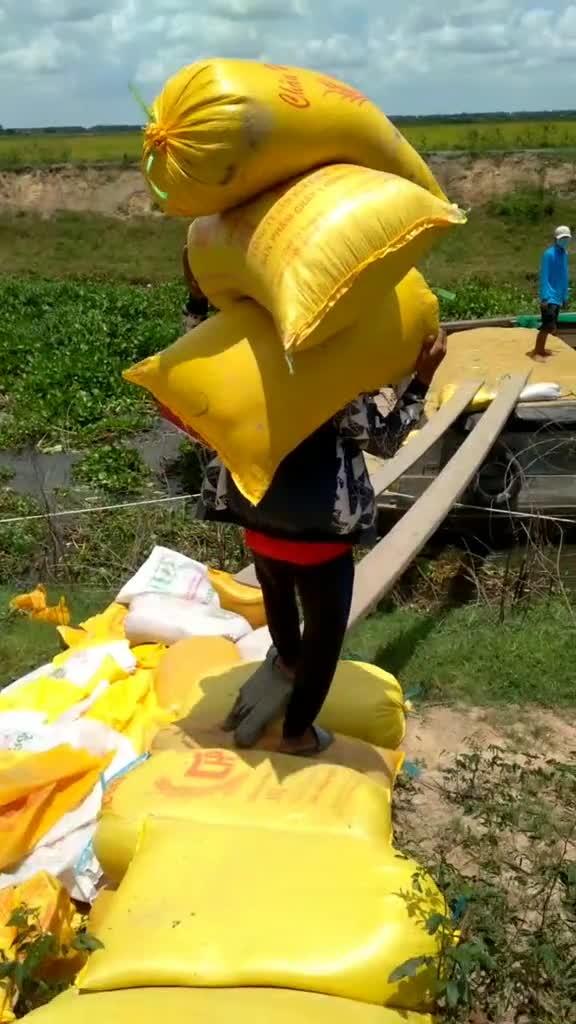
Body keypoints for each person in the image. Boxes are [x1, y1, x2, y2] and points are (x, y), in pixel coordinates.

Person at [197, 329, 447, 757]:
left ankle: (288, 661)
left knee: (276, 595)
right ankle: (297, 732)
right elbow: (384, 441)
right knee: (324, 636)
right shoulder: (331, 371)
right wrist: (420, 381)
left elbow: (198, 372)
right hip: (320, 535)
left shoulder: (244, 356)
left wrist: (196, 303)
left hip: (258, 519)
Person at [533, 225, 571, 359]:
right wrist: (544, 297)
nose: (565, 241)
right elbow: (544, 276)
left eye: (567, 238)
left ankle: (542, 349)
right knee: (547, 325)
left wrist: (565, 296)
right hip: (549, 296)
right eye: (562, 238)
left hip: (558, 297)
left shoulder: (565, 254)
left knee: (552, 326)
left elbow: (565, 276)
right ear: (556, 239)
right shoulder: (548, 254)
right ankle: (537, 351)